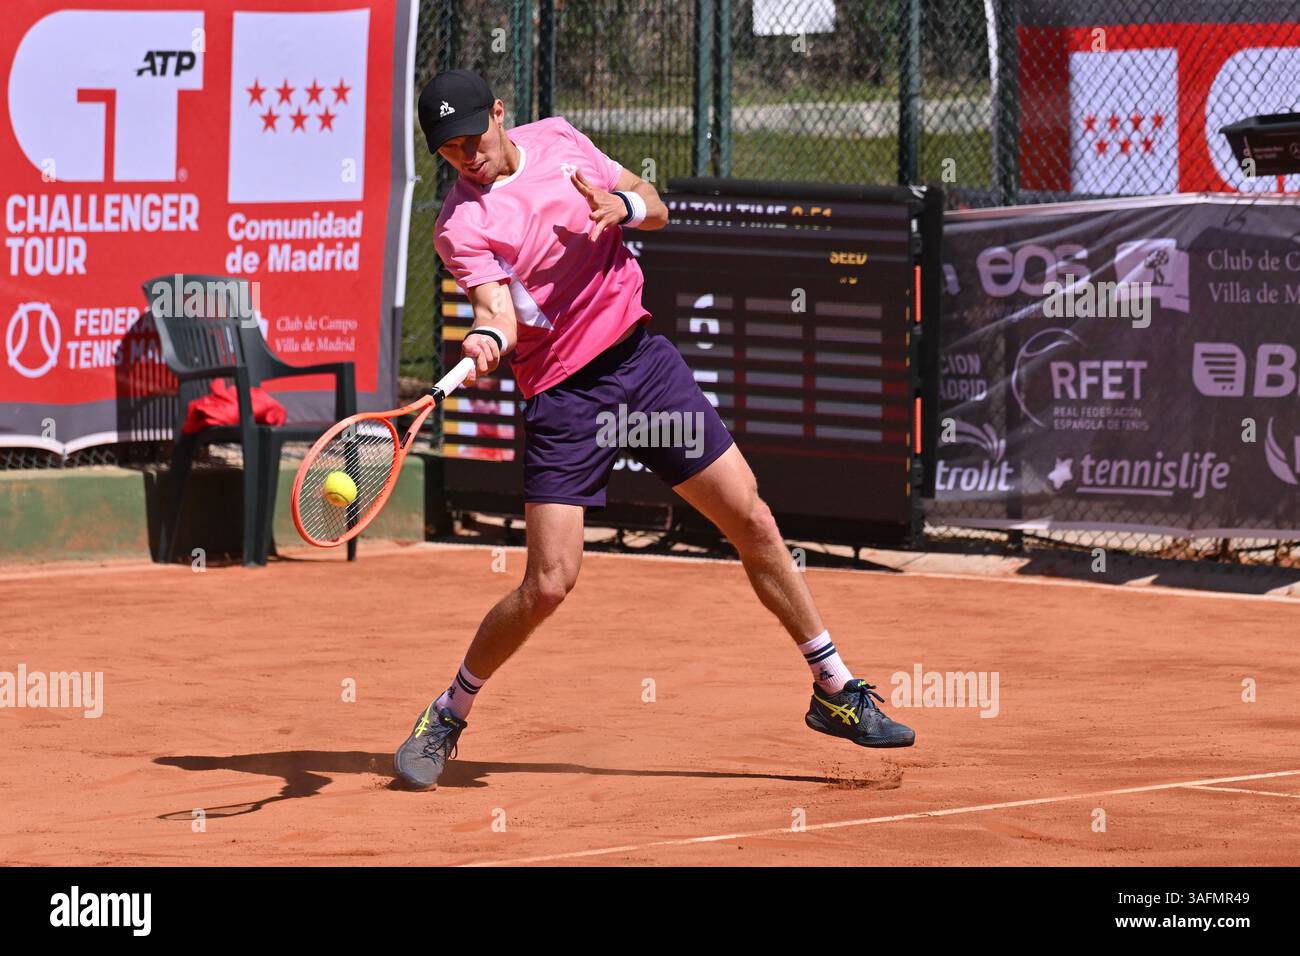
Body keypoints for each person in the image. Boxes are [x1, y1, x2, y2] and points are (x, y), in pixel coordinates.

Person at [395, 69, 915, 790]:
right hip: (566, 397)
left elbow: (656, 206)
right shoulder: (460, 225)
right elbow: (500, 313)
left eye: (470, 137)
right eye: (446, 150)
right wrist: (486, 337)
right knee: (548, 585)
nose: (464, 155)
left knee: (754, 520)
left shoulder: (559, 140)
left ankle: (834, 690)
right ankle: (449, 711)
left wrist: (624, 206)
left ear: (499, 114)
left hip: (643, 367)